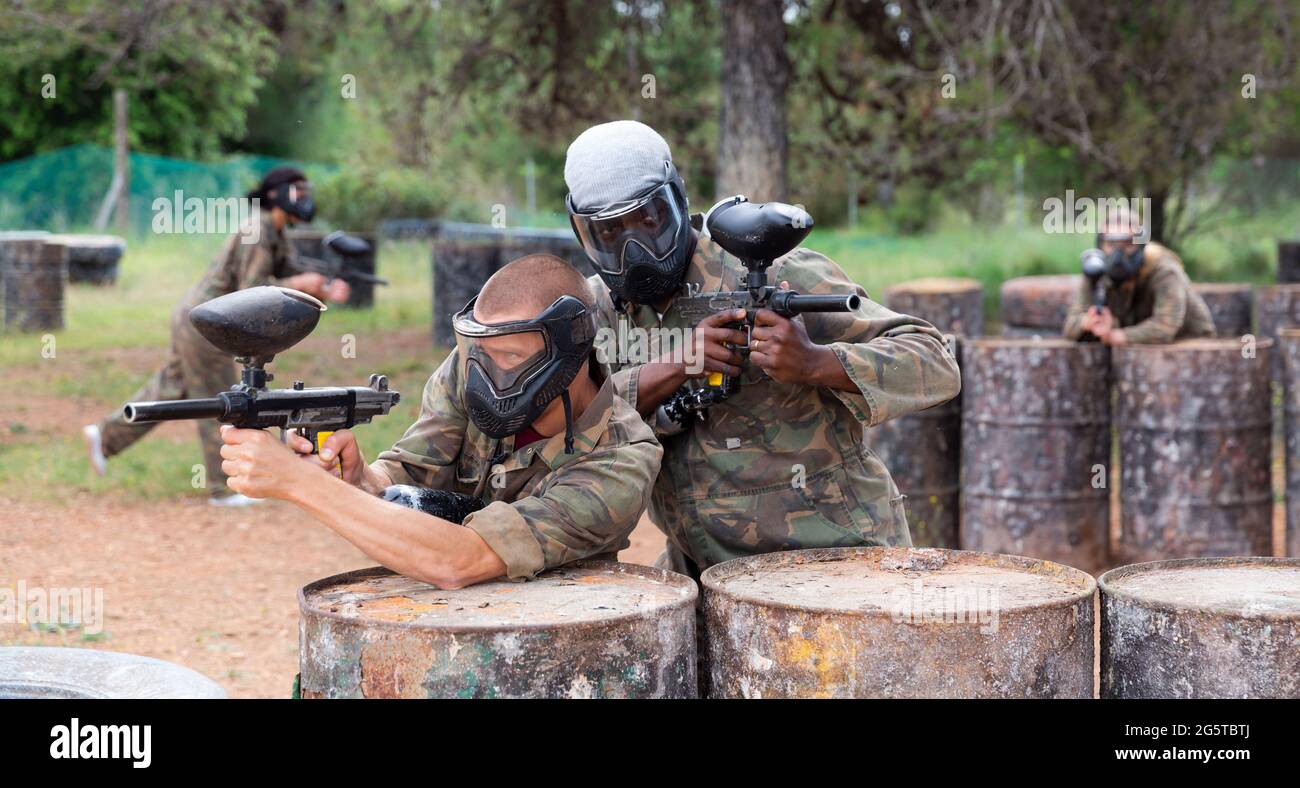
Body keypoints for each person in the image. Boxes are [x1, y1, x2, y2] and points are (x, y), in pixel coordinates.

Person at [564, 120, 962, 579]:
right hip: (705, 570)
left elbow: (935, 362)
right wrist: (674, 367)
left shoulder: (771, 273)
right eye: (610, 234)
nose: (636, 251)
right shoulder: (595, 312)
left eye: (649, 221)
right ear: (583, 234)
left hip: (837, 560)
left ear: (678, 199)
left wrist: (816, 363)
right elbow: (567, 423)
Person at [216, 254, 663, 588]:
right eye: (480, 351)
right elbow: (413, 479)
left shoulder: (622, 460)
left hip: (558, 640)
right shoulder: (473, 365)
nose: (488, 373)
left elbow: (460, 561)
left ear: (570, 356)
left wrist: (298, 483)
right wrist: (358, 480)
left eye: (511, 356)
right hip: (450, 622)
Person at [83, 167, 350, 506]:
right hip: (209, 323)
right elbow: (253, 291)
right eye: (297, 191)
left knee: (172, 391)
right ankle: (224, 488)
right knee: (223, 400)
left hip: (200, 318)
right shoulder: (258, 229)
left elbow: (289, 270)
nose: (304, 198)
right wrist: (300, 286)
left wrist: (325, 286)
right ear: (277, 195)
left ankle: (104, 437)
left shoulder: (274, 230)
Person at [1063, 207, 1215, 345]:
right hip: (1138, 352)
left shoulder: (1162, 269)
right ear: (1100, 244)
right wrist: (1089, 322)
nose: (1118, 255)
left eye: (1128, 244)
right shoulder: (1096, 270)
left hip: (1189, 344)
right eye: (1111, 245)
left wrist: (1114, 336)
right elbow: (1071, 325)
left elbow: (1165, 326)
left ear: (1141, 245)